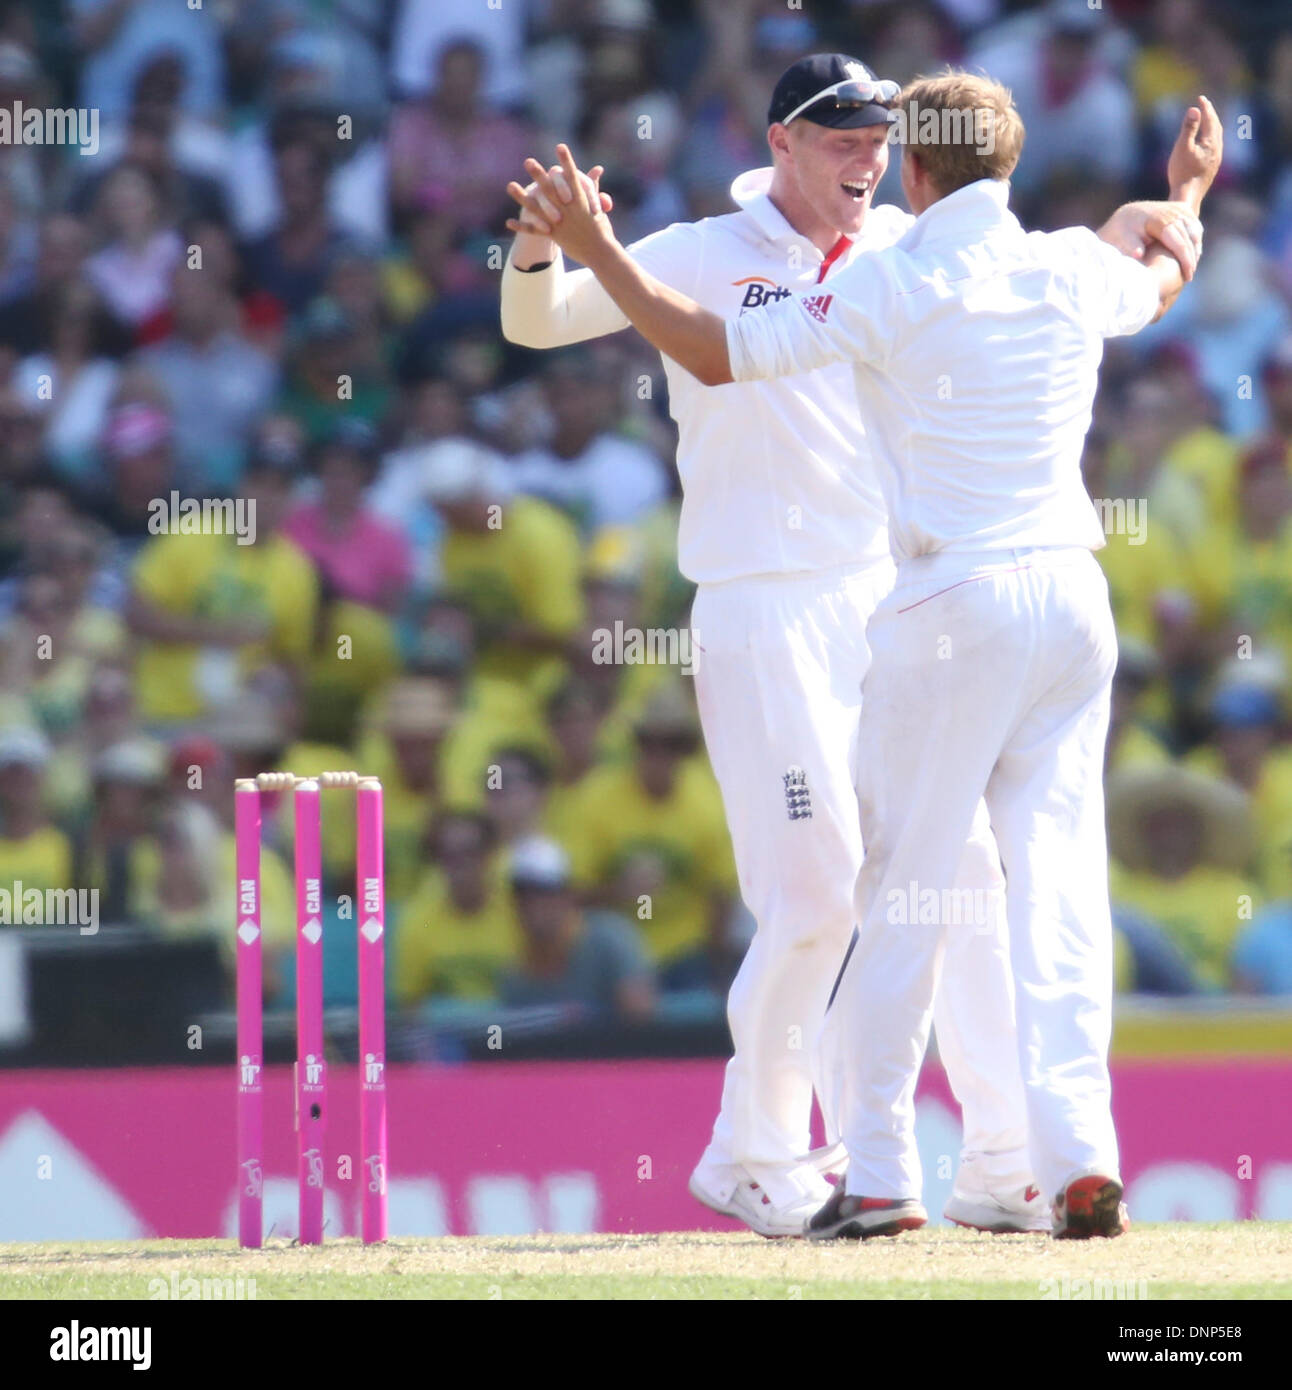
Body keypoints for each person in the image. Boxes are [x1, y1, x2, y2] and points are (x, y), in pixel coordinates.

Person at [505, 73, 1221, 1240]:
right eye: (841, 138)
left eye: (883, 144)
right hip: (761, 600)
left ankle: (999, 1155)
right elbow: (536, 324)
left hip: (893, 598)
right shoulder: (696, 249)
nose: (867, 162)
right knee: (816, 891)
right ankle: (765, 1151)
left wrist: (1131, 219)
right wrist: (550, 245)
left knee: (966, 883)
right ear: (781, 140)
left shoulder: (896, 248)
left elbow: (1005, 257)